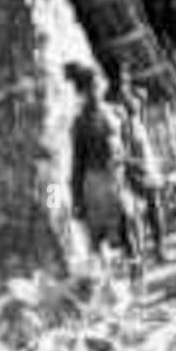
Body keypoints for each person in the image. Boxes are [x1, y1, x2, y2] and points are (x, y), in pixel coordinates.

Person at [68, 63, 142, 271]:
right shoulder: (80, 123)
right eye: (90, 88)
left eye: (97, 85)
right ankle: (105, 282)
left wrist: (133, 169)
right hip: (95, 182)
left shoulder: (116, 112)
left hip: (117, 178)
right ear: (82, 92)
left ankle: (136, 273)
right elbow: (78, 161)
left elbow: (127, 145)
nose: (96, 91)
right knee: (98, 234)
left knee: (127, 223)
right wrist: (76, 199)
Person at [119, 87, 172, 264]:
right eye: (135, 103)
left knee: (154, 210)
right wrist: (137, 167)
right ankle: (149, 252)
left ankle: (157, 249)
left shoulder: (137, 123)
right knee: (148, 212)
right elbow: (124, 154)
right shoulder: (127, 127)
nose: (139, 104)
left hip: (146, 171)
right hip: (139, 173)